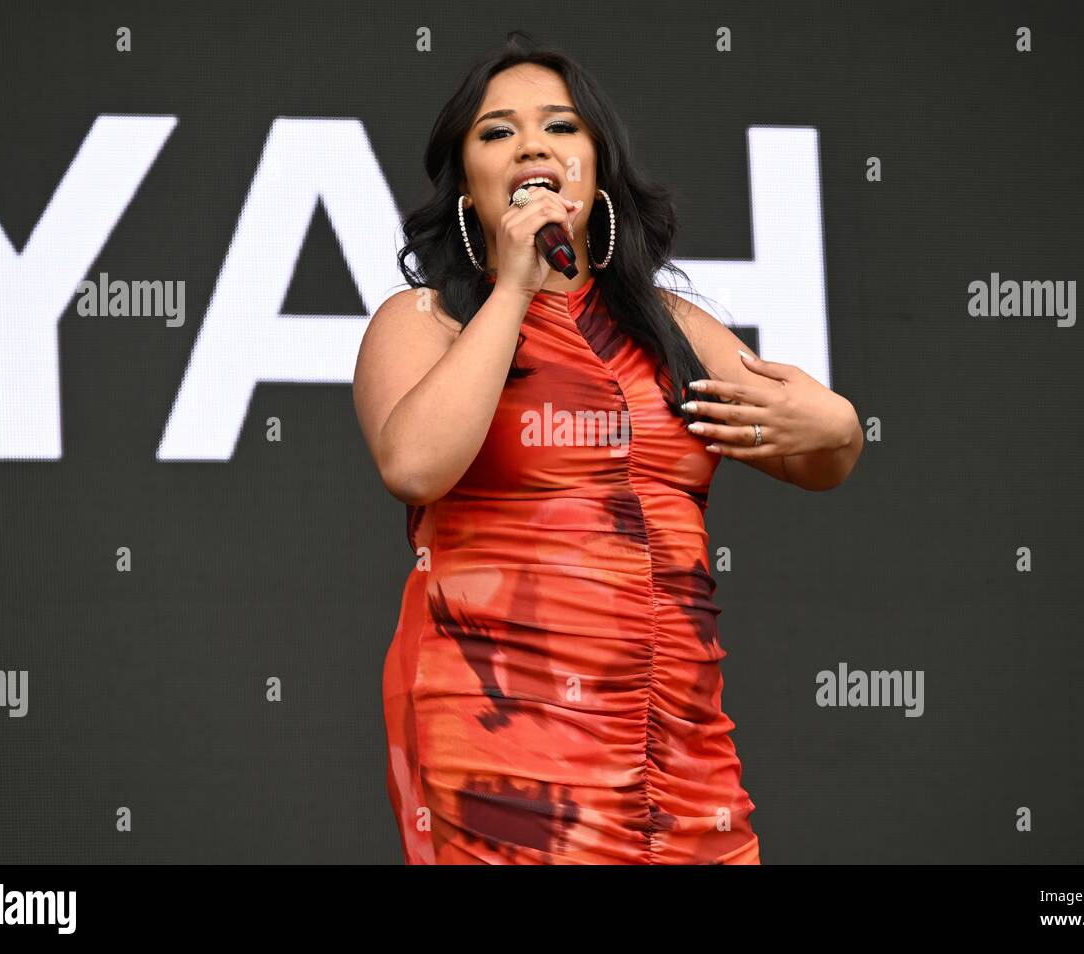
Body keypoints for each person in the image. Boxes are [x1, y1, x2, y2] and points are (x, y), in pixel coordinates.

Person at [352, 31, 863, 864]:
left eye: (560, 127)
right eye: (496, 132)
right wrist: (516, 287)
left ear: (599, 166)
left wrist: (838, 426)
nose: (530, 146)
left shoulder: (675, 330)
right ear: (468, 190)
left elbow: (817, 458)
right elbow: (414, 465)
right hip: (508, 742)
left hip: (681, 733)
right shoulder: (425, 325)